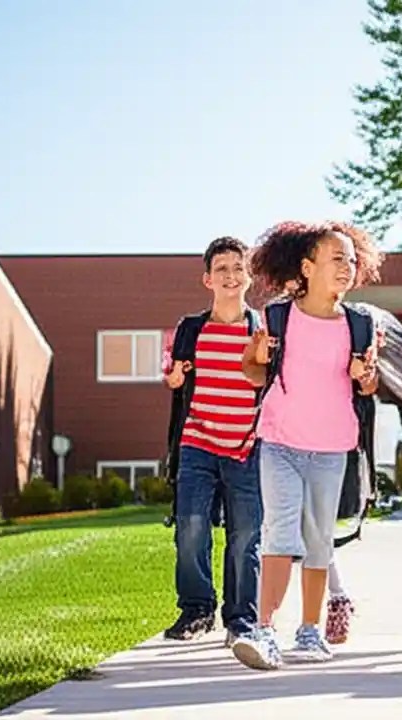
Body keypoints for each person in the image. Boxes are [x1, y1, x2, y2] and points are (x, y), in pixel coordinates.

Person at [230, 221, 383, 670]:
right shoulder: (279, 316)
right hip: (280, 440)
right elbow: (254, 372)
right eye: (336, 258)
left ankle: (310, 631)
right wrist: (256, 355)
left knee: (319, 541)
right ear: (307, 266)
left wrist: (365, 377)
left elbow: (368, 384)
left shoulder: (359, 323)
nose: (346, 267)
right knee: (280, 531)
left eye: (352, 260)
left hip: (332, 445)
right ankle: (263, 630)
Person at [162, 236, 263, 646]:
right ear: (207, 279)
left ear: (249, 276)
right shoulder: (191, 329)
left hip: (246, 445)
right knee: (190, 525)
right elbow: (174, 378)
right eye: (221, 269)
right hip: (198, 441)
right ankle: (196, 609)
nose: (230, 275)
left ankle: (241, 619)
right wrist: (174, 379)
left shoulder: (263, 330)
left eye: (238, 268)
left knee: (245, 535)